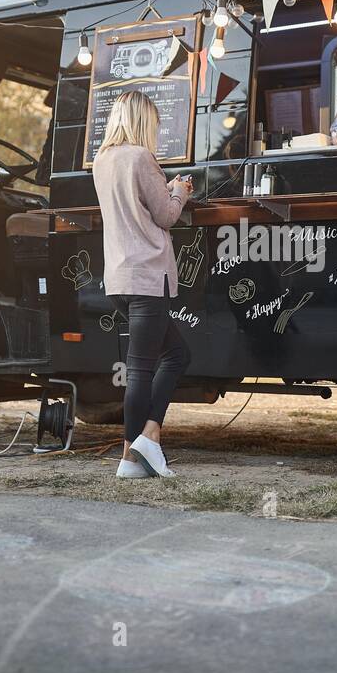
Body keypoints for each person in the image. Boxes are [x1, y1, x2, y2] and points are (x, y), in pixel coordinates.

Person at [91, 91, 193, 479]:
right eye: (154, 122)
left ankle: (147, 437)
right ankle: (131, 458)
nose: (157, 129)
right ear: (141, 121)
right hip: (147, 275)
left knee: (175, 355)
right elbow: (166, 216)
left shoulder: (102, 161)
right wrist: (179, 190)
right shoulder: (140, 157)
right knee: (142, 370)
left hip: (118, 278)